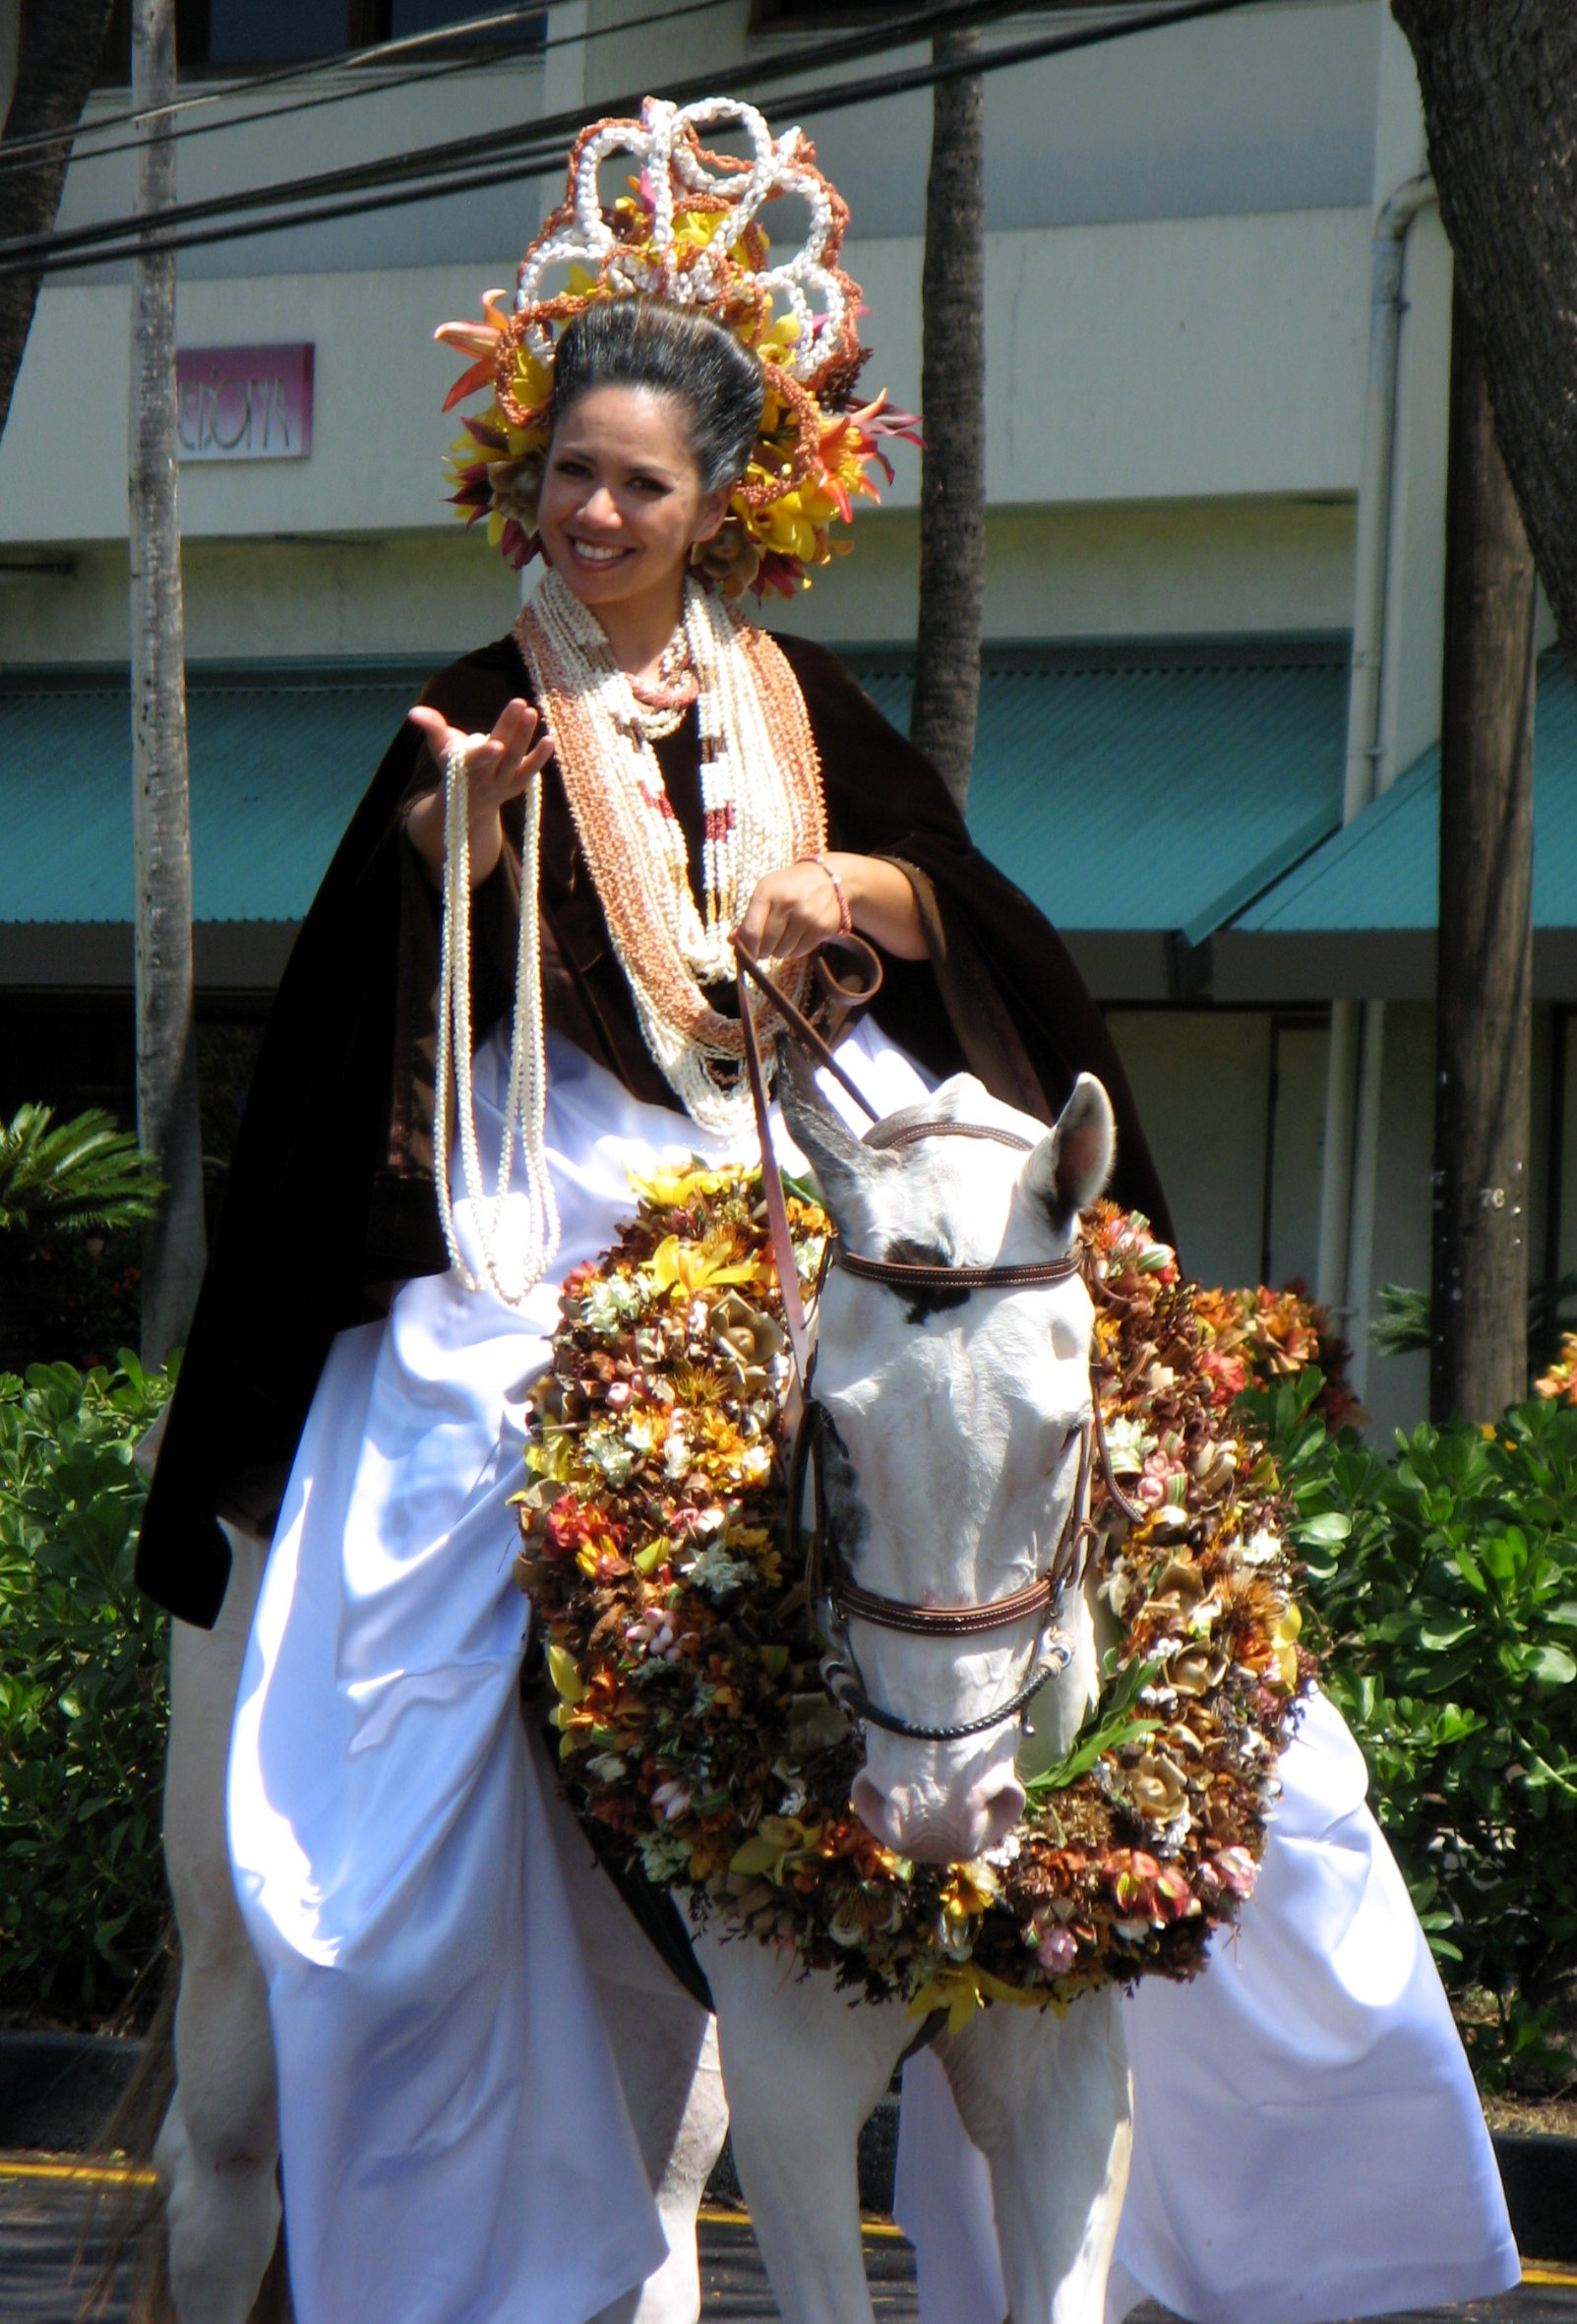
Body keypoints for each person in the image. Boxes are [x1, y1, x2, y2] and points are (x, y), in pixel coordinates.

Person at [136, 93, 1515, 2324]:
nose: (594, 509)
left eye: (639, 483)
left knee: (1087, 1409)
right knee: (439, 1461)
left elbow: (970, 913)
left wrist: (867, 885)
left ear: (717, 508)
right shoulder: (476, 713)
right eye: (569, 471)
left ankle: (1217, 1895)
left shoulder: (805, 699)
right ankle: (387, 1929)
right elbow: (353, 1064)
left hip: (826, 1133)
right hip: (558, 1163)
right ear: (528, 474)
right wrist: (461, 859)